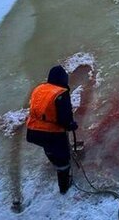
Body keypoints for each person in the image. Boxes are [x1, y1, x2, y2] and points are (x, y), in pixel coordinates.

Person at [26, 65, 79, 194]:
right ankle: (64, 187)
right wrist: (71, 125)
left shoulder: (39, 89)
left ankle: (53, 158)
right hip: (51, 134)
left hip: (32, 131)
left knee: (49, 148)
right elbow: (64, 119)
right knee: (63, 159)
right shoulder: (61, 93)